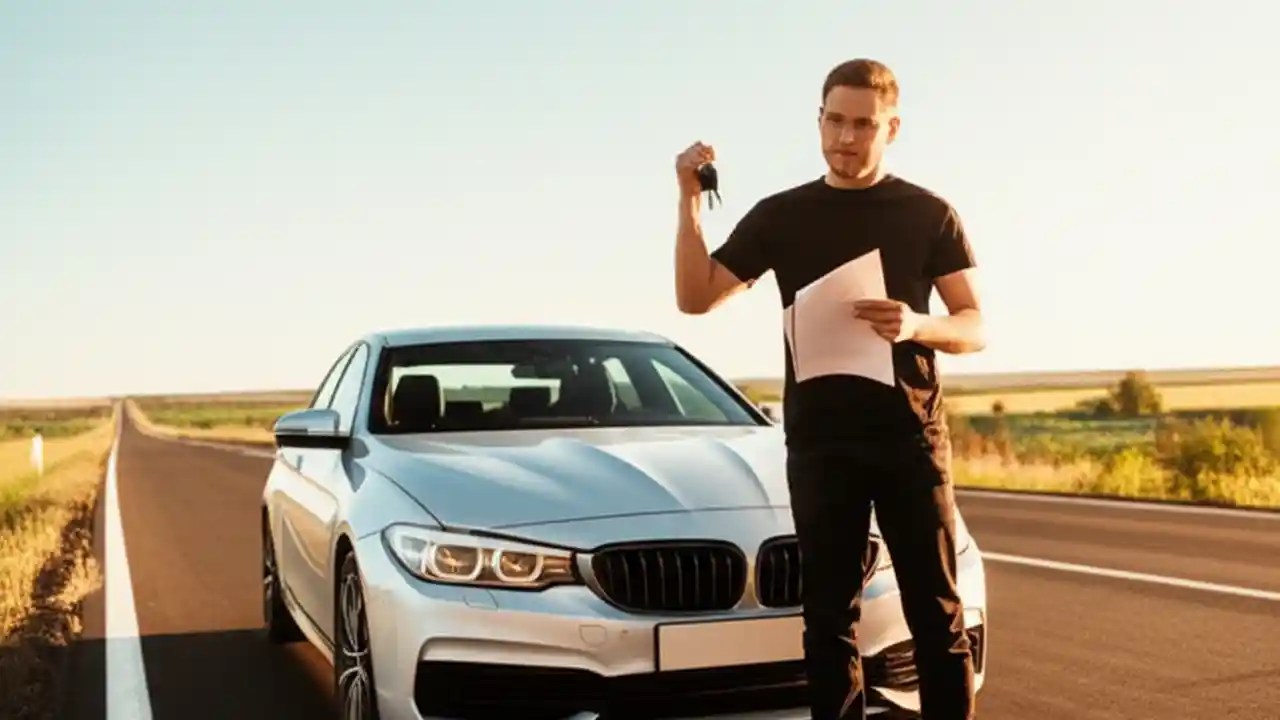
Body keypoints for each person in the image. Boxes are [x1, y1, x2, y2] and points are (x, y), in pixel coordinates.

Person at [672, 58, 985, 720]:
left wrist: (918, 324)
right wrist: (688, 198)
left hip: (910, 439)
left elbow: (975, 325)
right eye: (835, 120)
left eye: (863, 124)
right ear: (819, 120)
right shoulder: (783, 215)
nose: (846, 137)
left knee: (937, 613)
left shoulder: (928, 213)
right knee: (827, 621)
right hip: (820, 445)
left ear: (891, 128)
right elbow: (696, 297)